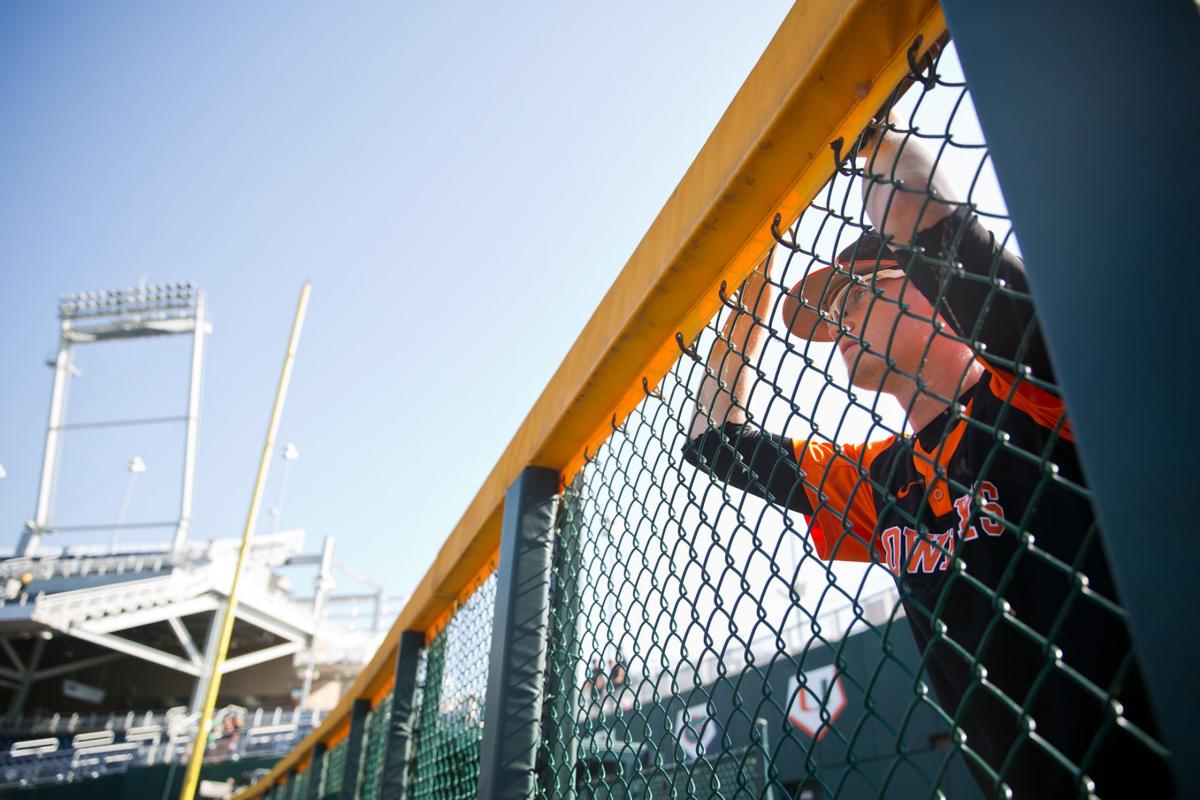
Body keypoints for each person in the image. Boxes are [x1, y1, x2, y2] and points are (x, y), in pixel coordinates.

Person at [682, 119, 1172, 797]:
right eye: (836, 313)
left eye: (859, 293)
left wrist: (858, 116)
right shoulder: (881, 476)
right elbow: (715, 439)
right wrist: (749, 289)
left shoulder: (1029, 390)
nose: (841, 326)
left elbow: (927, 212)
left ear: (932, 284)